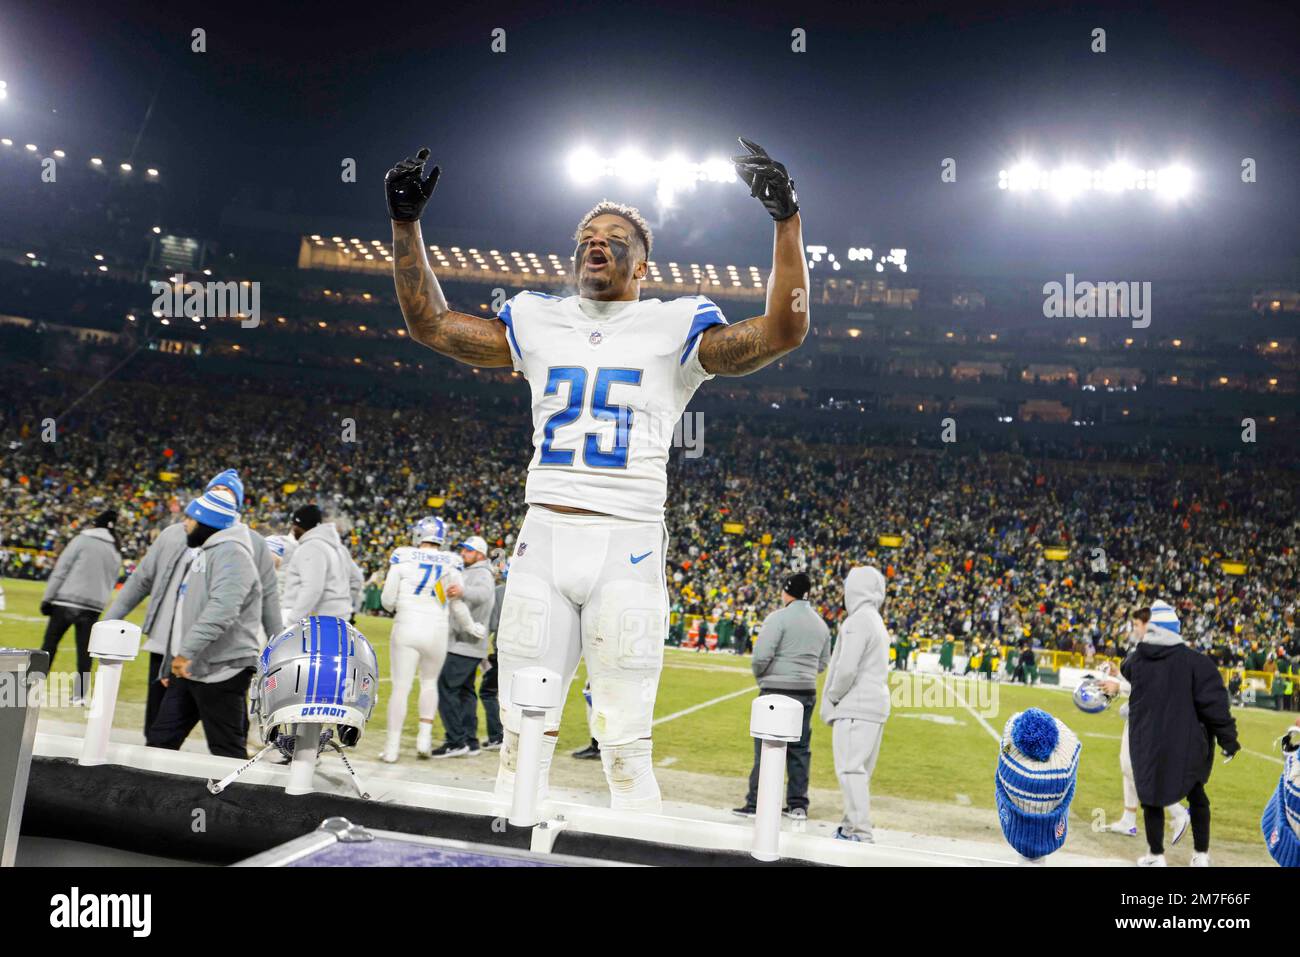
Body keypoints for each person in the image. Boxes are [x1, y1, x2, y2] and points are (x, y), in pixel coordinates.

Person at [386, 135, 807, 811]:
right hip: (542, 537)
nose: (595, 242)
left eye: (613, 236)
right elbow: (430, 324)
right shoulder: (537, 318)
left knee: (623, 740)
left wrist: (786, 222)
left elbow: (783, 331)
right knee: (521, 740)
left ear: (644, 264)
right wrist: (406, 226)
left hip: (627, 544)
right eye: (586, 235)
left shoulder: (676, 323)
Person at [110, 471, 280, 734]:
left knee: (227, 726)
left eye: (229, 492)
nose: (221, 493)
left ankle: (229, 764)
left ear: (237, 504)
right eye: (216, 489)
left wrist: (276, 645)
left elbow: (268, 595)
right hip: (166, 644)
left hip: (220, 651)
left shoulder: (251, 543)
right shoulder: (173, 534)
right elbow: (141, 580)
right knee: (159, 725)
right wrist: (111, 620)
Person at [146, 477, 263, 758]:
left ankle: (236, 803)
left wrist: (185, 653)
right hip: (191, 668)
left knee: (227, 752)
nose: (185, 524)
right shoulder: (207, 553)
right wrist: (170, 664)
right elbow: (185, 611)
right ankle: (147, 800)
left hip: (222, 671)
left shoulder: (232, 554)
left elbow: (221, 610)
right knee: (160, 742)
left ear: (205, 521)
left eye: (190, 519)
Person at [1122, 600, 1240, 867]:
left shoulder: (1137, 661)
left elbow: (1124, 667)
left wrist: (1140, 645)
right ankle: (1200, 855)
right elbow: (1215, 705)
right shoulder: (1196, 663)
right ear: (1175, 630)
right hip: (1188, 742)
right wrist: (1228, 740)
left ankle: (1156, 856)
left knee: (1151, 797)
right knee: (1196, 795)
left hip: (1149, 742)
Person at [378, 516, 483, 762]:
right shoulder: (451, 561)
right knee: (429, 683)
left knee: (401, 688)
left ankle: (392, 748)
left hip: (407, 625)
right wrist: (471, 627)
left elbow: (387, 598)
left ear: (418, 534)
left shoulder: (403, 555)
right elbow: (456, 603)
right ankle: (424, 740)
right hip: (437, 629)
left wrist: (399, 606)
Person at [733, 573, 830, 820]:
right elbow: (823, 663)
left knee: (766, 747)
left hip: (776, 690)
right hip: (806, 691)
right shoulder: (821, 624)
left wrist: (764, 677)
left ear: (787, 591)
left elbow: (761, 656)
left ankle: (757, 803)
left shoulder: (778, 618)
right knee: (800, 750)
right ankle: (798, 806)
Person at [820, 566, 891, 843]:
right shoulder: (875, 620)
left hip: (856, 705)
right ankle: (850, 828)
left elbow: (846, 668)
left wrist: (833, 697)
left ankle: (860, 832)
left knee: (850, 770)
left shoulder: (857, 621)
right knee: (859, 773)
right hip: (874, 705)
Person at [39, 509, 121, 703]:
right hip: (93, 607)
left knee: (49, 646)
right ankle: (79, 695)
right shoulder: (116, 549)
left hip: (65, 601)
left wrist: (47, 598)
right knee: (85, 652)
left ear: (95, 524)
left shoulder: (81, 540)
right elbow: (112, 580)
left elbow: (61, 569)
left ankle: (34, 688)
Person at [432, 535, 496, 757]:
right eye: (463, 550)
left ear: (480, 553)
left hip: (465, 644)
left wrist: (462, 591)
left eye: (468, 550)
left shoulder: (483, 572)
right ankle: (470, 740)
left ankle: (455, 740)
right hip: (467, 644)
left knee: (445, 686)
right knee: (465, 693)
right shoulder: (473, 571)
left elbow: (484, 593)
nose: (463, 553)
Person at [281, 504, 362, 627]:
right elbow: (357, 579)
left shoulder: (311, 547)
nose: (293, 529)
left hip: (314, 621)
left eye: (294, 525)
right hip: (338, 618)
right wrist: (342, 605)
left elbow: (312, 588)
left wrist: (291, 622)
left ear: (300, 525)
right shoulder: (339, 548)